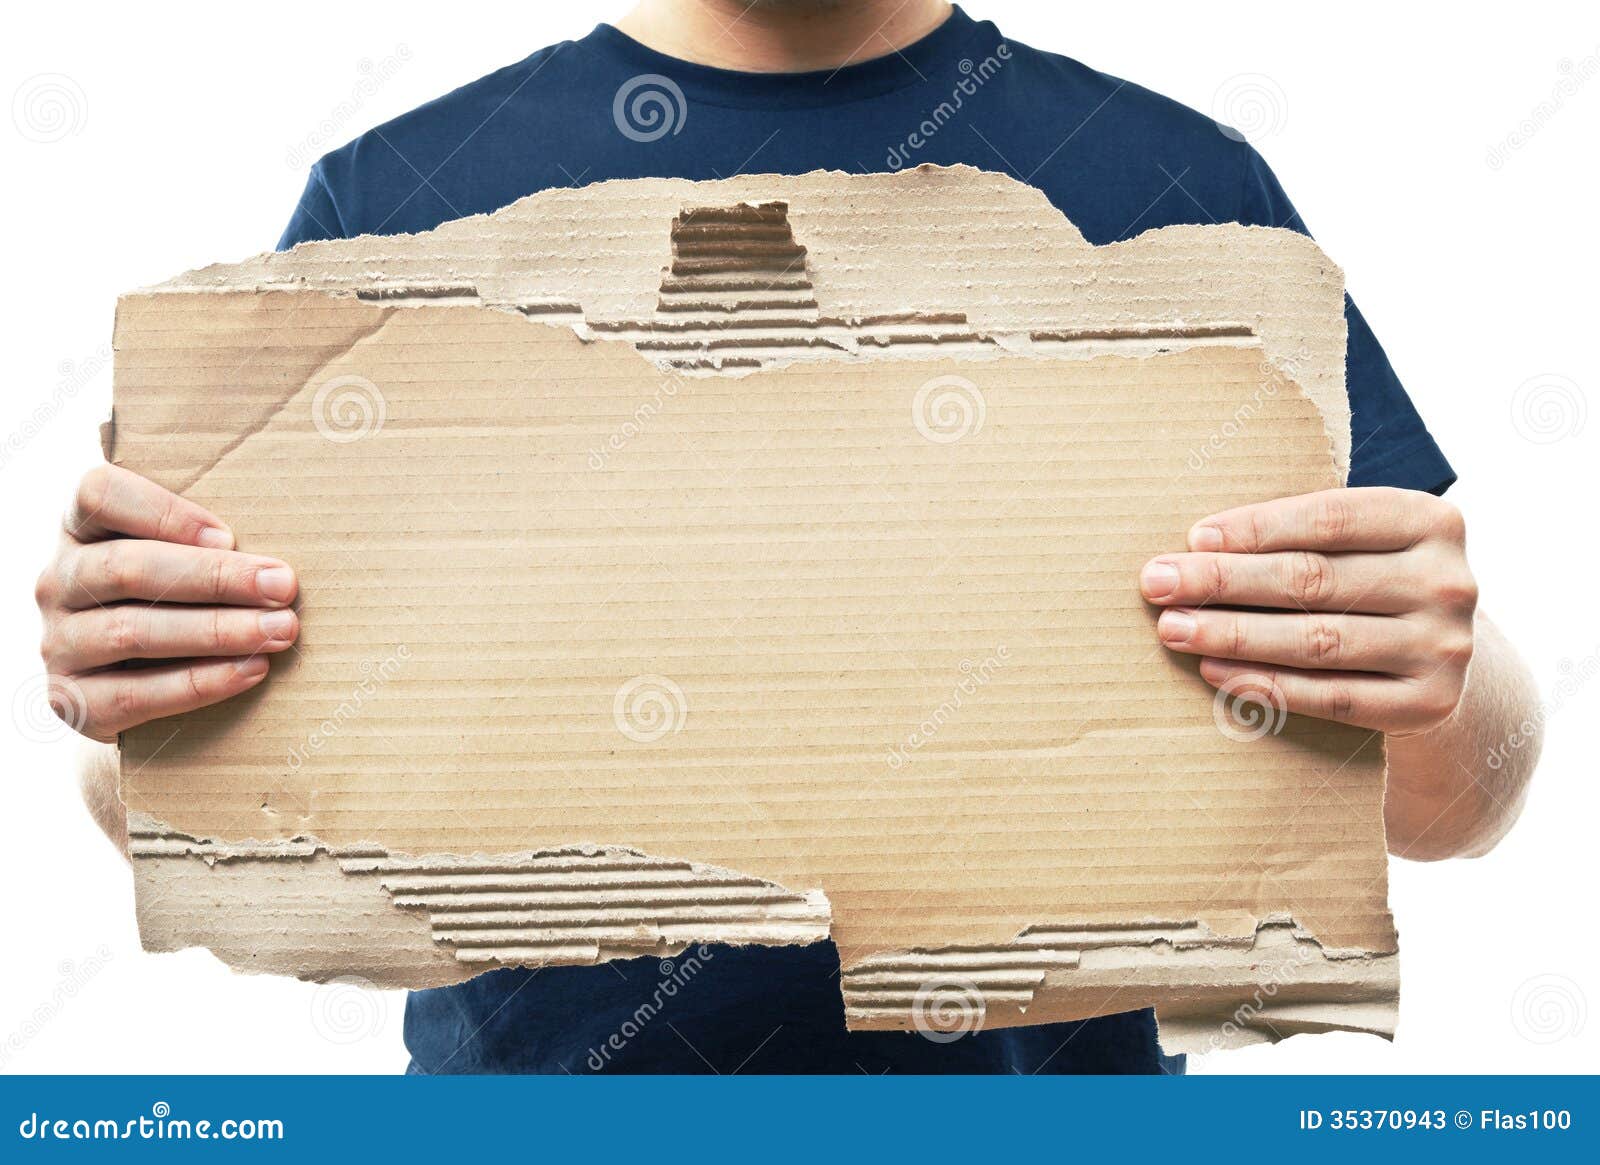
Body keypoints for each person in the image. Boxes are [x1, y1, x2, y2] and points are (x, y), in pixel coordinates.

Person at [35, 0, 1541, 1074]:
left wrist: (1441, 679)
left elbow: (1451, 801)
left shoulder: (1174, 189)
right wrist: (136, 710)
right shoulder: (384, 208)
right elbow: (185, 802)